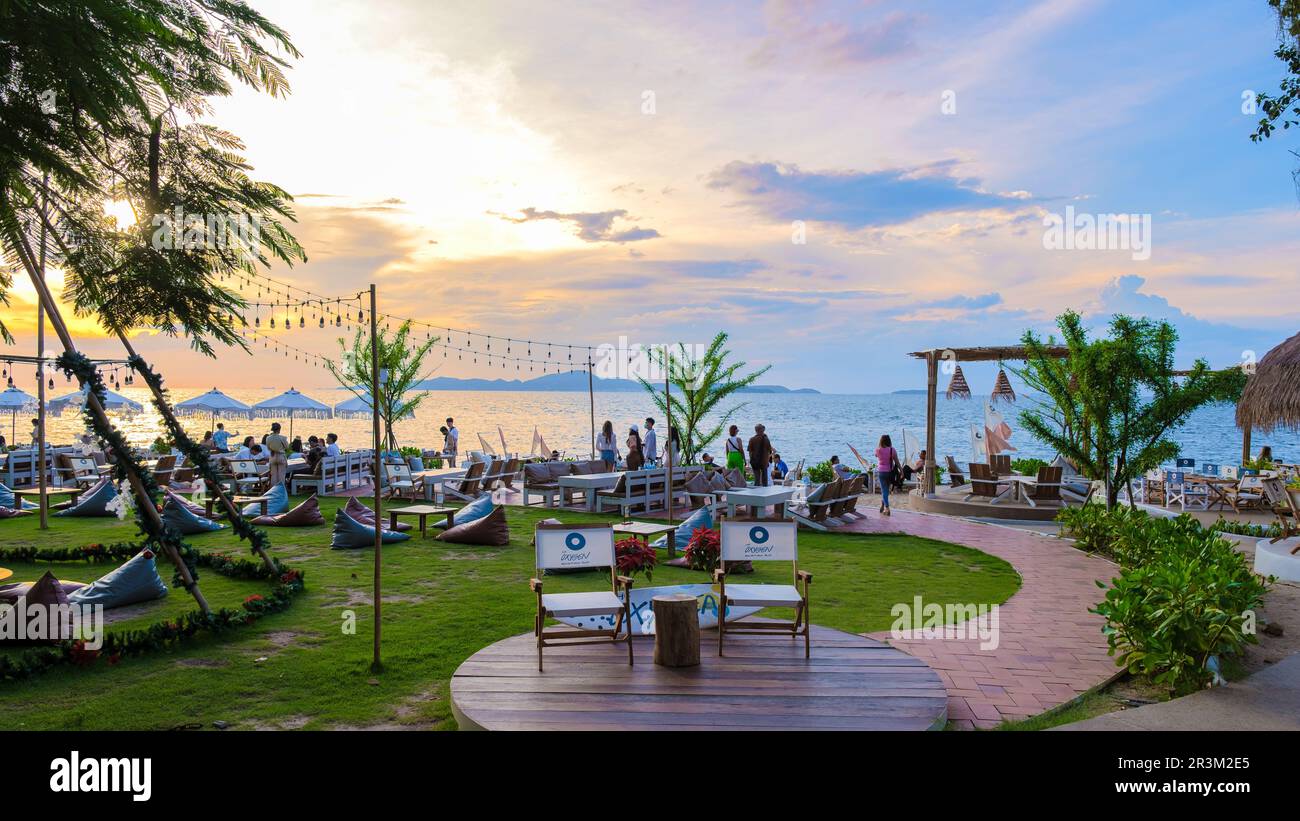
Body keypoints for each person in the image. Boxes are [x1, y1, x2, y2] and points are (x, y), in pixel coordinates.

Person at [876, 434, 901, 516]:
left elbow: (876, 455)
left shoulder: (878, 450)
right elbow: (897, 461)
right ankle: (884, 505)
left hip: (881, 472)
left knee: (884, 490)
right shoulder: (892, 450)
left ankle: (886, 507)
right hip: (890, 472)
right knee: (886, 490)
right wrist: (901, 470)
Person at [265, 422, 290, 486]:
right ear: (279, 429)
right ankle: (281, 489)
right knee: (281, 475)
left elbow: (268, 447)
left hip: (272, 456)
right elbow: (287, 447)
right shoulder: (282, 438)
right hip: (281, 456)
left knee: (273, 475)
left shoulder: (268, 438)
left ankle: (274, 489)